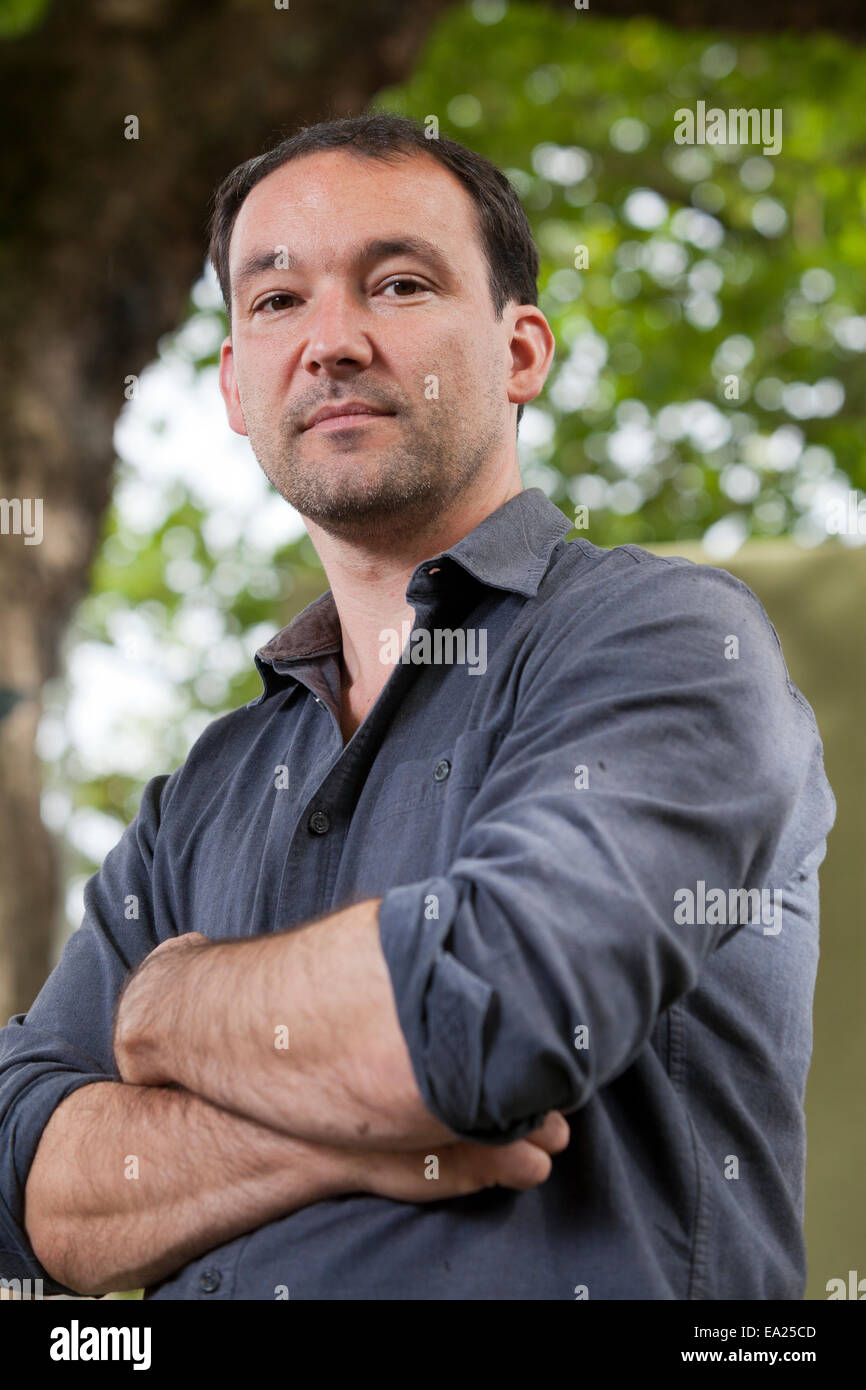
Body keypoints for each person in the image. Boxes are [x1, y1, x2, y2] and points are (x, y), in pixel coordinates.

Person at [0, 113, 835, 1300]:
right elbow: (29, 1190)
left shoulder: (664, 642)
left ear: (520, 352)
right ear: (235, 385)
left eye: (396, 283)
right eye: (275, 301)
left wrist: (165, 1002)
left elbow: (488, 1019)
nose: (330, 341)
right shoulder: (206, 786)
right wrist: (329, 1128)